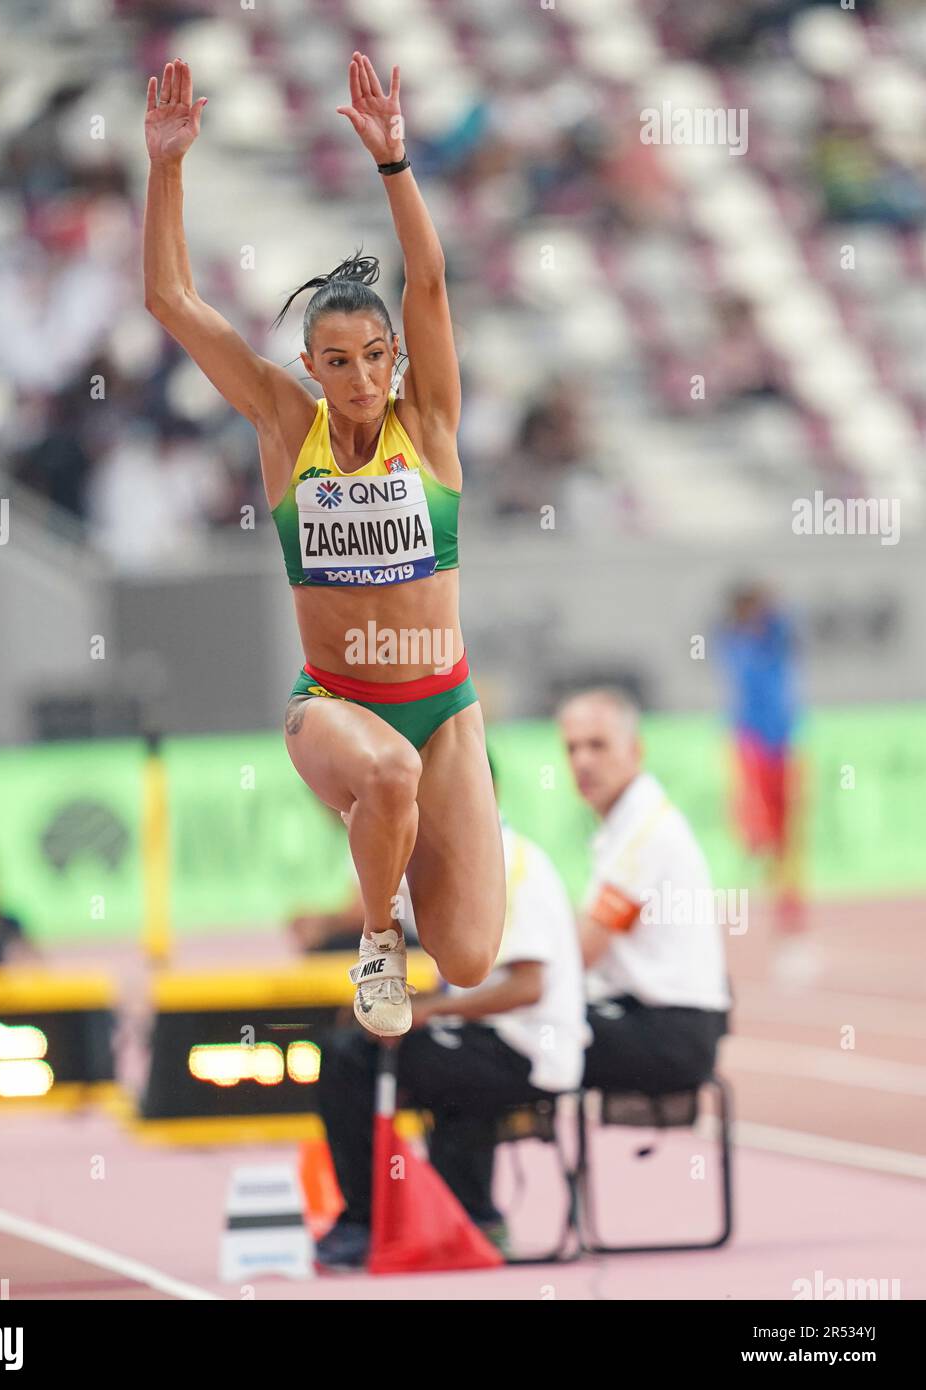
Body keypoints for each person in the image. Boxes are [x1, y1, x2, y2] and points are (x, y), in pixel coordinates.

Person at [143, 52, 505, 1037]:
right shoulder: (280, 424)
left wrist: (396, 164)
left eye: (371, 358)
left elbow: (426, 281)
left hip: (446, 703)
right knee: (385, 771)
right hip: (336, 706)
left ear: (392, 362)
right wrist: (167, 165)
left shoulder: (426, 427)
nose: (354, 378)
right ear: (308, 364)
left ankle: (416, 846)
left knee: (471, 957)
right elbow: (172, 300)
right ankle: (375, 937)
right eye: (334, 361)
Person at [314, 772, 587, 1270]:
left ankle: (366, 1222)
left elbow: (529, 985)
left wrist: (427, 1012)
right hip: (480, 1039)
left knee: (349, 1059)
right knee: (356, 1043)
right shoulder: (442, 864)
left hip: (528, 1051)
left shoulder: (510, 862)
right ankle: (468, 1213)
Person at [558, 688, 730, 1094]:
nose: (582, 761)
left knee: (508, 1037)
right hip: (649, 1018)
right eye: (572, 749)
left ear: (635, 750)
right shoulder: (628, 823)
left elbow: (585, 950)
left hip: (668, 1031)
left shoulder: (643, 831)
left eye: (597, 746)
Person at [715, 583, 805, 931]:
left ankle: (787, 900)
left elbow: (791, 622)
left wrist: (774, 602)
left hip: (782, 739)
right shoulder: (733, 642)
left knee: (787, 828)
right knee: (753, 809)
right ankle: (754, 841)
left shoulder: (776, 638)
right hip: (749, 737)